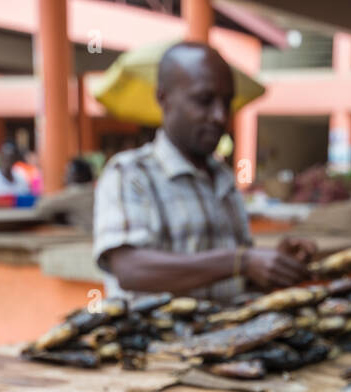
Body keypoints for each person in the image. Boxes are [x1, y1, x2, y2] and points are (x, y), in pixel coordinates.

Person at [93, 42, 316, 300]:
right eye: (204, 100)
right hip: (157, 339)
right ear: (163, 98)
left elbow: (232, 280)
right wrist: (240, 261)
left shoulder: (223, 179)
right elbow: (130, 269)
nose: (220, 116)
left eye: (227, 102)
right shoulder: (131, 174)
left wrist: (272, 266)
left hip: (229, 336)